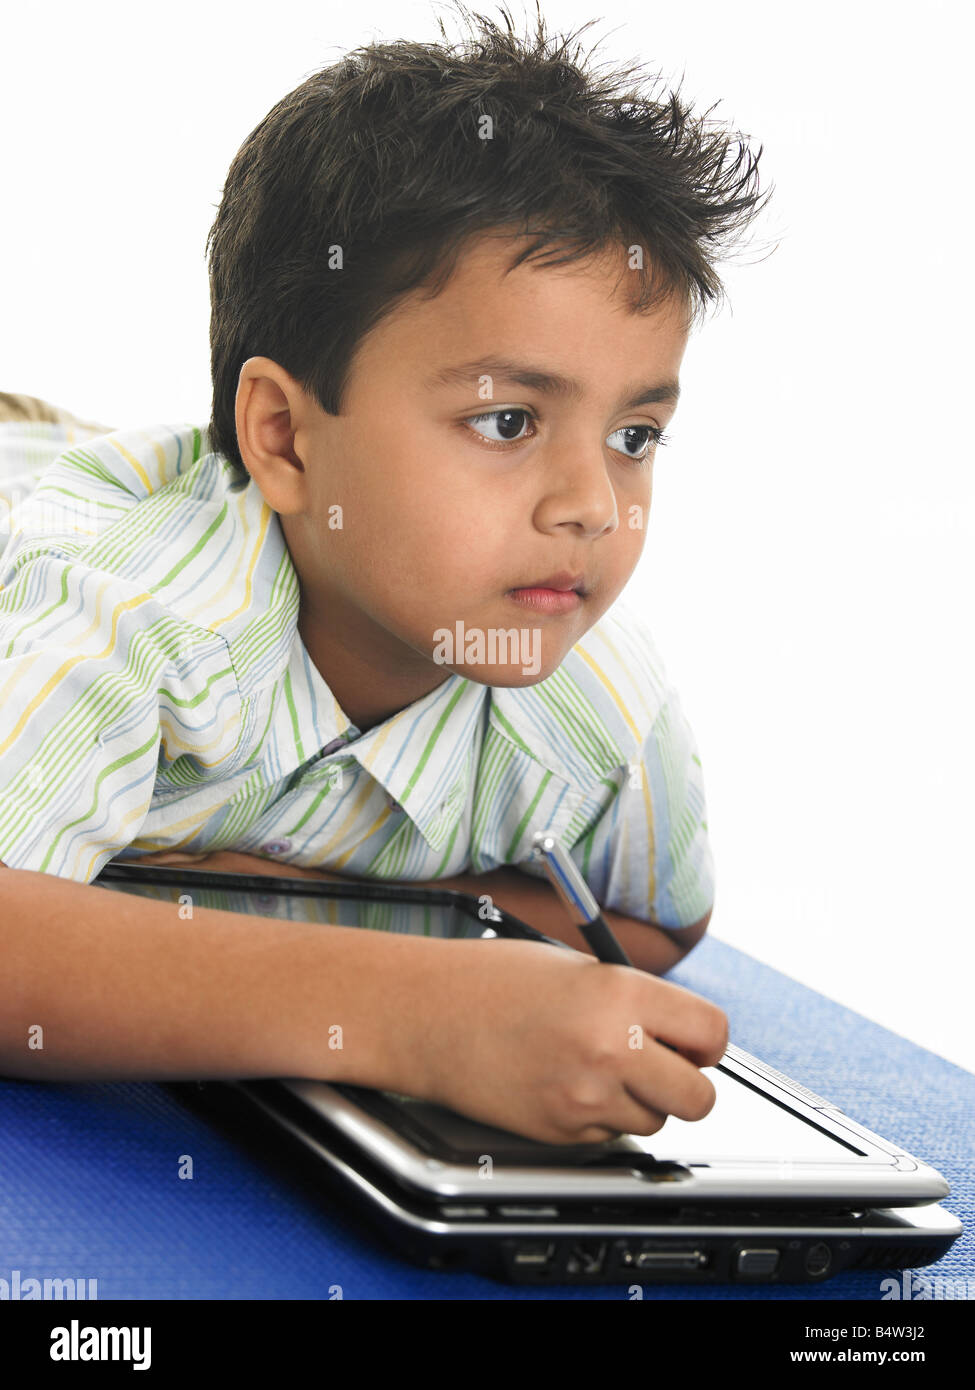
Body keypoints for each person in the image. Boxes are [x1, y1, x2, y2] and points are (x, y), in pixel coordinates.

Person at [0, 2, 771, 1144]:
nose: (592, 505)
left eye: (635, 435)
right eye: (509, 420)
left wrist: (231, 891)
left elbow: (649, 925)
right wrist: (418, 1010)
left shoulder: (601, 710)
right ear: (288, 437)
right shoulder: (128, 614)